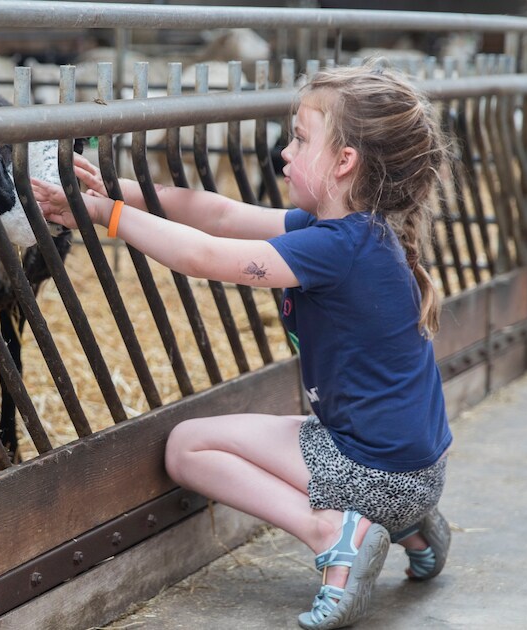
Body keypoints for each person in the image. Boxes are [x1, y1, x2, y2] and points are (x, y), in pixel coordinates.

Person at [31, 62, 453, 629]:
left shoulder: (335, 248)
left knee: (188, 449)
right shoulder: (357, 232)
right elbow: (220, 213)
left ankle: (334, 532)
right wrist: (114, 190)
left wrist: (107, 216)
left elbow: (204, 255)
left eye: (301, 139)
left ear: (345, 161)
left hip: (375, 475)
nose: (285, 151)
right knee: (290, 445)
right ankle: (414, 527)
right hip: (417, 474)